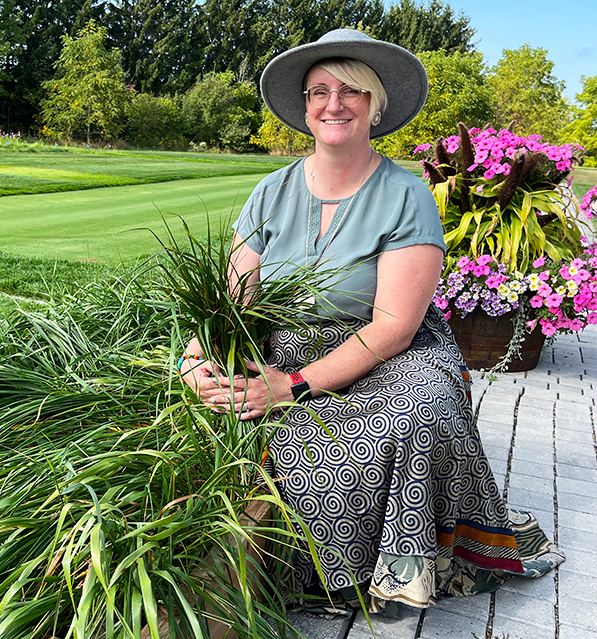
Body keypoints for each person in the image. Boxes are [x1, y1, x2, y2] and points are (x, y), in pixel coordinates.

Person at [177, 29, 563, 613]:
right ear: (305, 107)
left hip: (389, 351)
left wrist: (290, 387)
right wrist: (199, 356)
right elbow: (231, 301)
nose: (334, 104)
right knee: (226, 406)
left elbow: (393, 329)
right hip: (290, 341)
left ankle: (383, 567)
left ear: (375, 106)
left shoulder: (405, 195)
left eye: (351, 91)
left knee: (412, 412)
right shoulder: (270, 191)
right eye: (320, 91)